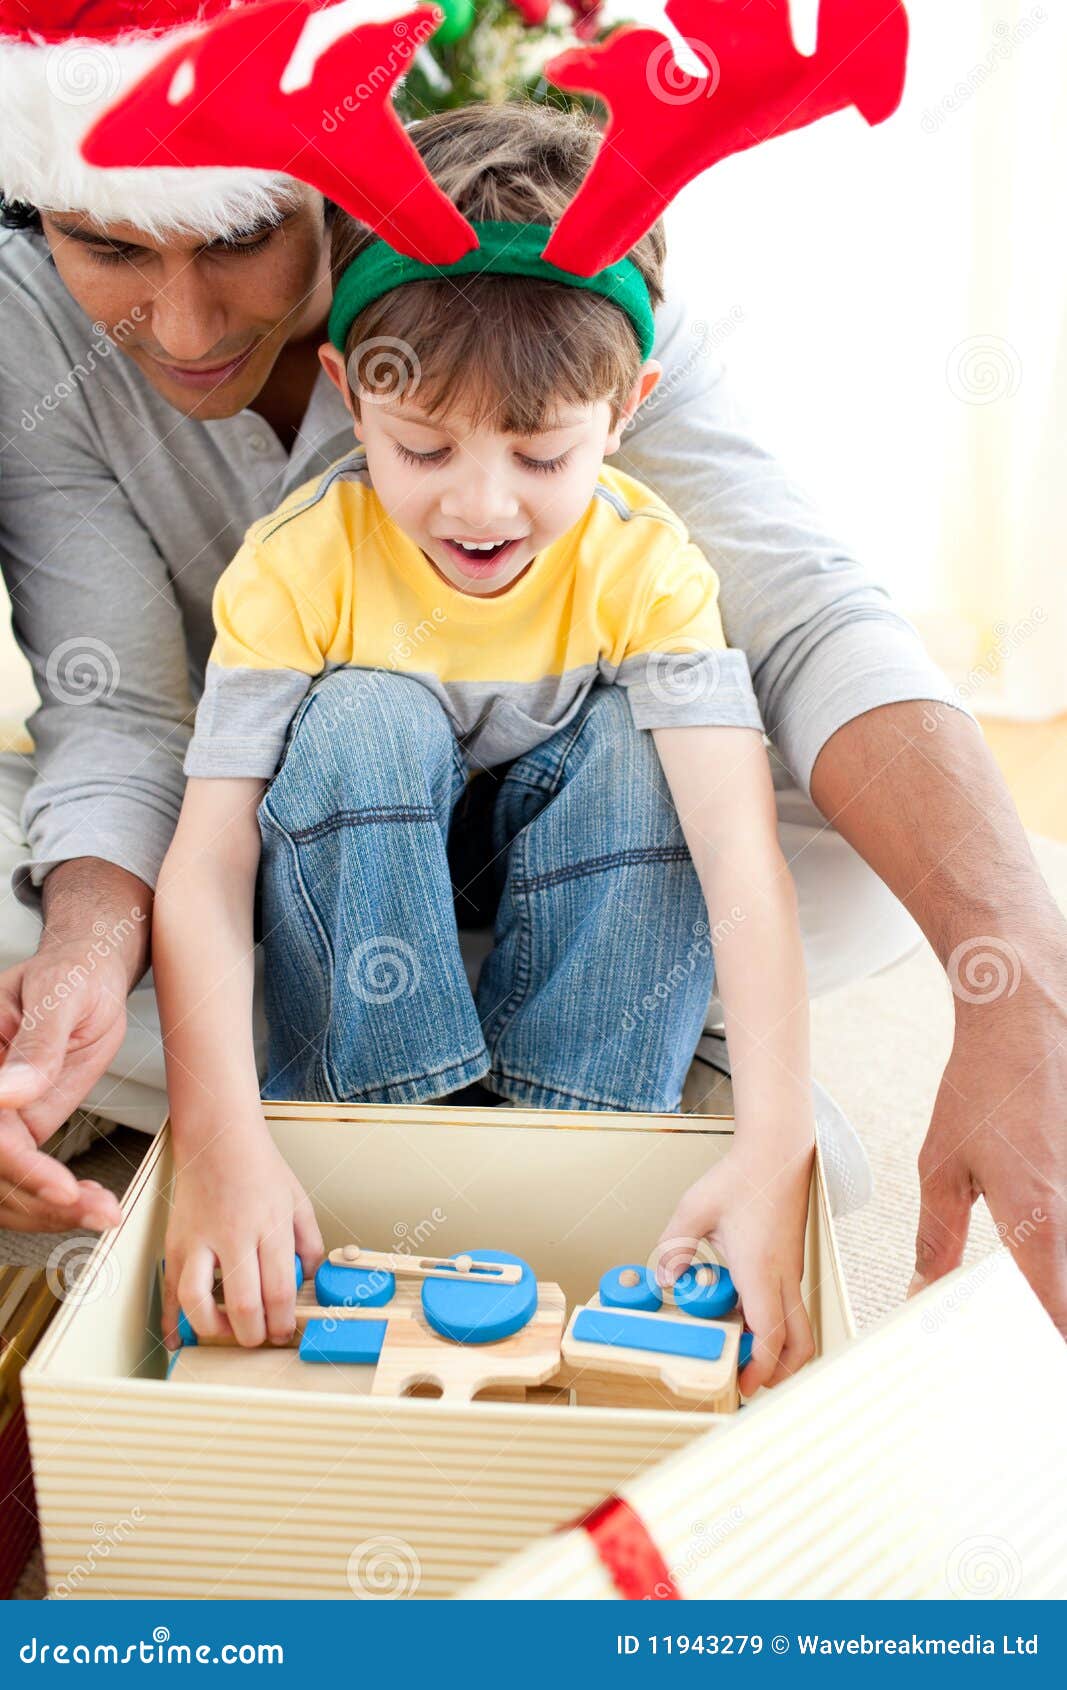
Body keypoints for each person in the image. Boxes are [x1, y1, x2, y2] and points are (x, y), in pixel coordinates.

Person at [0, 4, 1063, 1364]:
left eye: (241, 237)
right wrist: (111, 987)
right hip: (313, 840)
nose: (191, 318)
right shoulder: (275, 542)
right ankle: (439, 1110)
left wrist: (1000, 974)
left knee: (815, 823)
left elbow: (799, 635)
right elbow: (137, 735)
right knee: (128, 843)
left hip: (573, 834)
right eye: (109, 246)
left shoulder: (571, 295)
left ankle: (593, 1106)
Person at [154, 102, 818, 1380]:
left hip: (558, 870)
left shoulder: (646, 566)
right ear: (352, 397)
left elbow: (742, 861)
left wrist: (771, 1145)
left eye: (539, 452)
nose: (479, 501)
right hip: (372, 912)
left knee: (647, 745)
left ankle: (576, 1133)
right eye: (422, 447)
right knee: (362, 710)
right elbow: (205, 864)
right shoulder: (301, 562)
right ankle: (407, 1124)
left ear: (625, 410)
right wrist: (219, 1141)